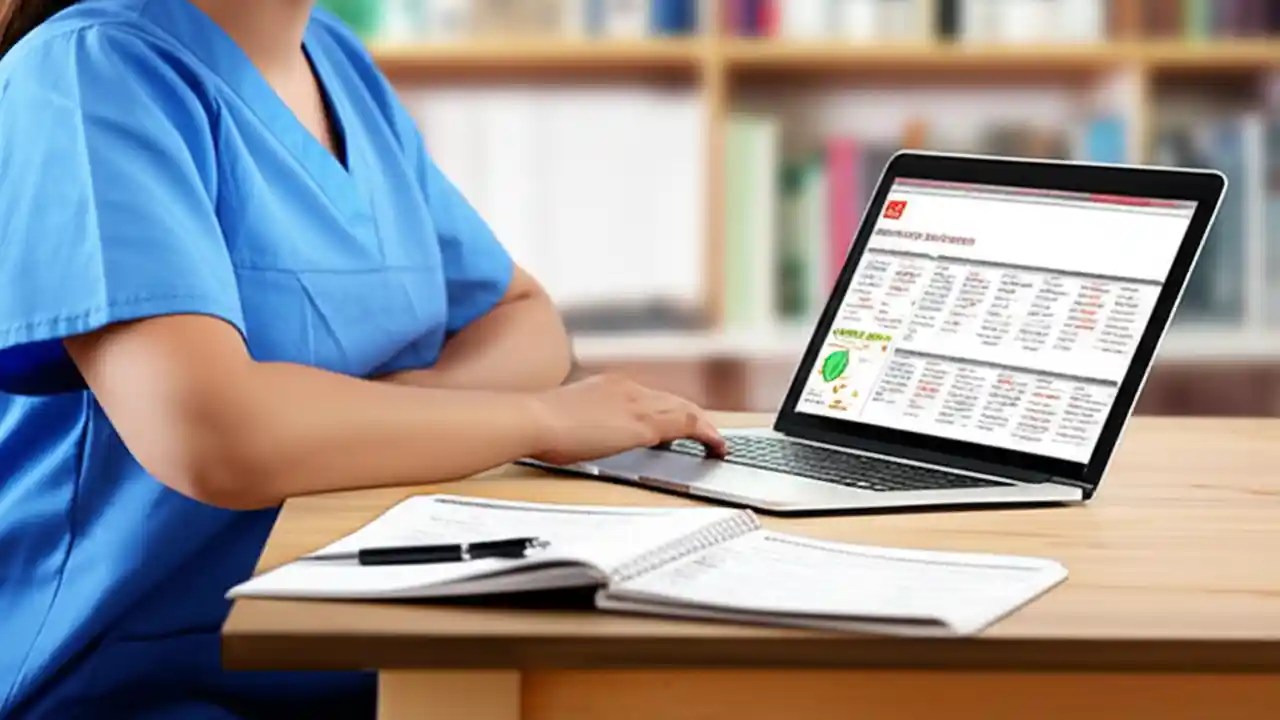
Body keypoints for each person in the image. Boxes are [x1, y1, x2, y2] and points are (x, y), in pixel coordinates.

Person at [0, 1, 726, 717]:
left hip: (370, 637)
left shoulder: (333, 59)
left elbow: (522, 318)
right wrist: (538, 418)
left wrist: (408, 406)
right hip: (139, 677)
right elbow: (214, 437)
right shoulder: (90, 70)